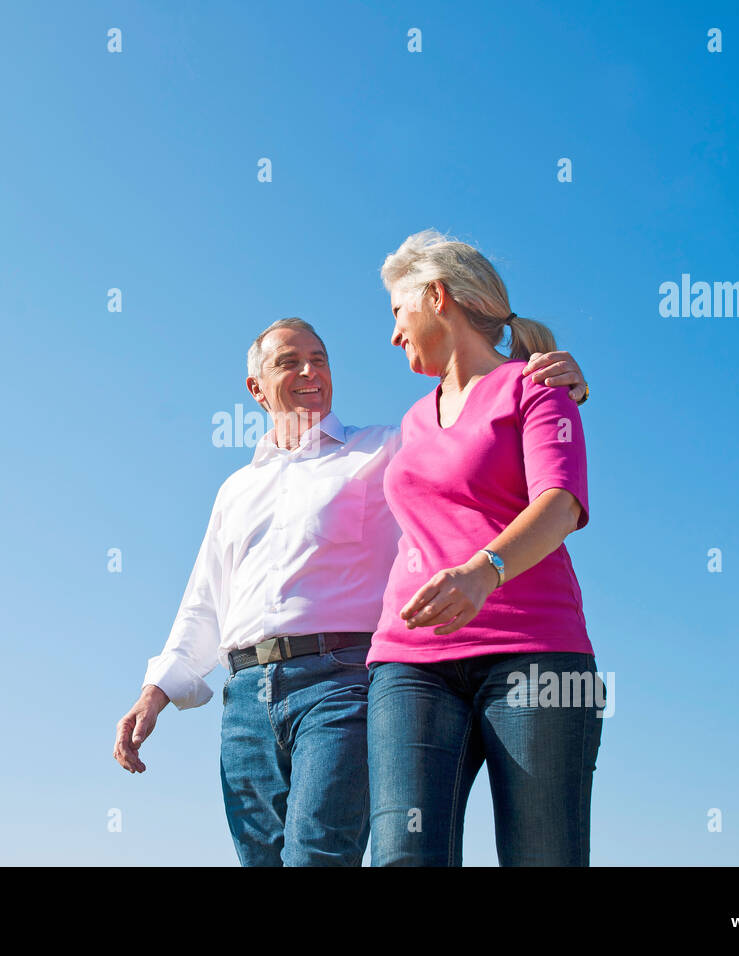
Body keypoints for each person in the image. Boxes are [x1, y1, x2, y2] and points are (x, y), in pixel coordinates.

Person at [114, 316, 588, 866]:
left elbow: (470, 428)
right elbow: (204, 600)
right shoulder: (236, 489)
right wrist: (155, 693)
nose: (310, 371)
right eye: (290, 362)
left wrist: (552, 388)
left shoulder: (385, 450)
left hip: (341, 681)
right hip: (244, 698)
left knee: (317, 856)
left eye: (319, 358)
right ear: (256, 388)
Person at [367, 229, 603, 867]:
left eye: (397, 311)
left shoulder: (536, 386)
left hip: (534, 656)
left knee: (542, 857)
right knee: (402, 855)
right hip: (409, 662)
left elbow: (560, 504)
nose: (393, 334)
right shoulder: (412, 422)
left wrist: (483, 572)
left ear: (437, 297)